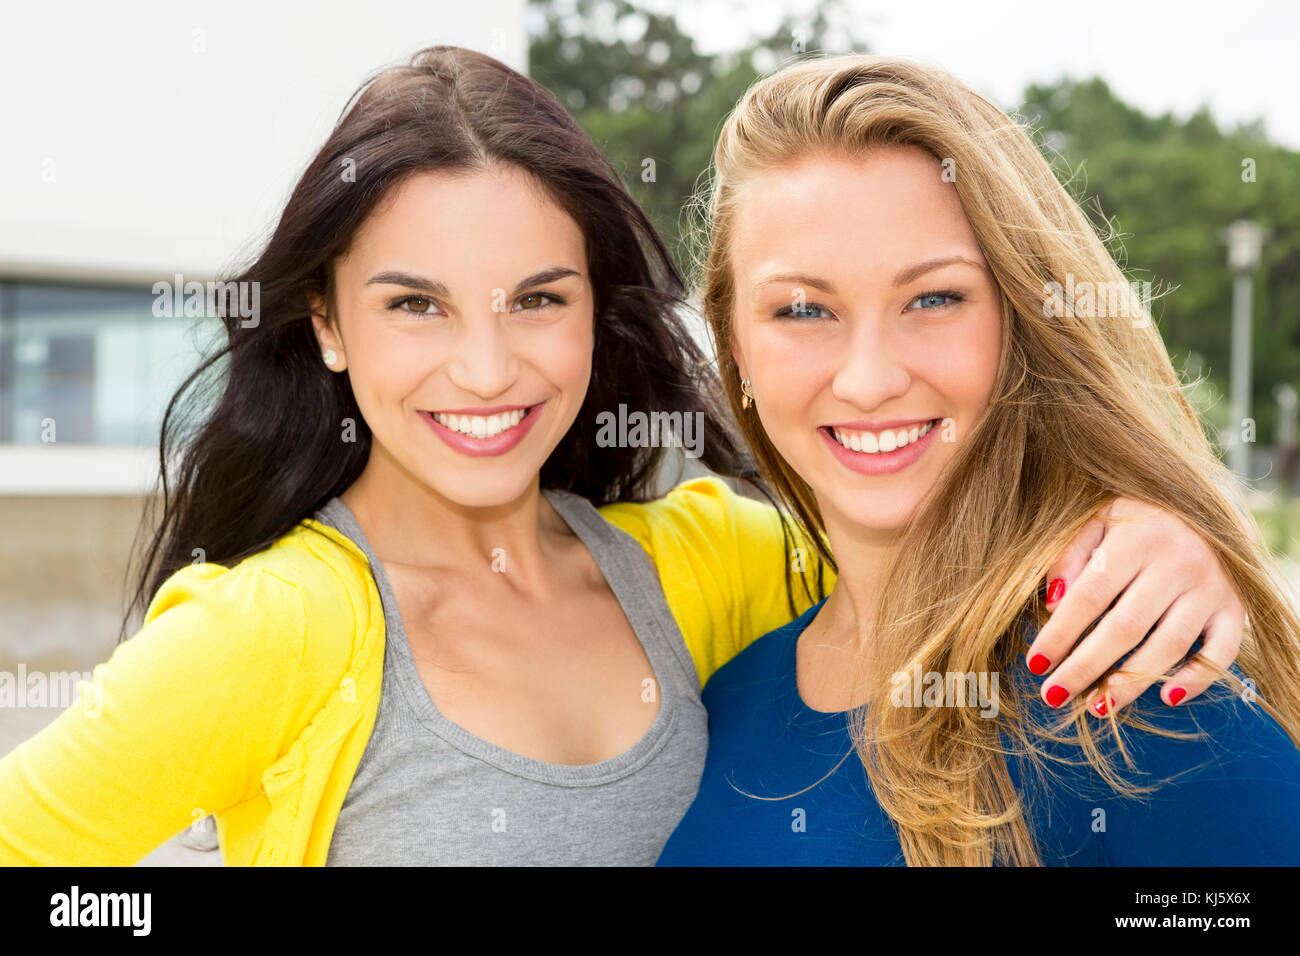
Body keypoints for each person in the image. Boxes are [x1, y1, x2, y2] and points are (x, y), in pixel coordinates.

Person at [0, 48, 1255, 866]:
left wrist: (1149, 527)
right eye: (414, 304)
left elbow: (912, 554)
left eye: (536, 299)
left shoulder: (712, 566)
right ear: (325, 323)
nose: (486, 371)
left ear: (601, 314)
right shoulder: (271, 627)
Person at [657, 54, 1300, 866]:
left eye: (933, 298)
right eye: (803, 309)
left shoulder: (1126, 689)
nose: (869, 380)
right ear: (735, 345)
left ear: (1021, 321)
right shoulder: (732, 692)